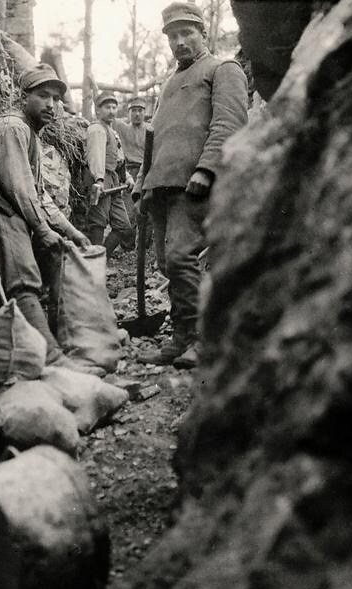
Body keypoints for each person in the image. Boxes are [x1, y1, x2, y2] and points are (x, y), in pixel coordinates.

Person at [133, 1, 248, 368]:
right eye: (173, 35)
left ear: (203, 33)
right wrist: (140, 187)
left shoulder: (222, 69)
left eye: (187, 33)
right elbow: (154, 140)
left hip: (194, 182)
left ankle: (203, 339)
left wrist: (208, 169)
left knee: (183, 258)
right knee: (169, 264)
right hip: (161, 185)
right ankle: (182, 337)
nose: (180, 41)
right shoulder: (169, 84)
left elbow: (229, 122)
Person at [0, 64, 96, 373]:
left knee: (51, 261)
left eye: (56, 99)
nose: (51, 105)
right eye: (43, 96)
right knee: (22, 282)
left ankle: (62, 345)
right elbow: (18, 188)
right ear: (23, 96)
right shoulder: (12, 127)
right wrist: (42, 229)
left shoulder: (29, 132)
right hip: (0, 212)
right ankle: (53, 360)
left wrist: (70, 231)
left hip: (15, 212)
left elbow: (39, 193)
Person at [85, 91, 135, 255]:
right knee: (98, 221)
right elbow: (96, 156)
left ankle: (102, 258)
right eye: (107, 107)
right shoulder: (97, 129)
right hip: (100, 178)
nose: (112, 111)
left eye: (114, 107)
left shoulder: (112, 132)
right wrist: (99, 180)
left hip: (113, 180)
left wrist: (126, 177)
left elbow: (119, 159)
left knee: (123, 226)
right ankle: (94, 265)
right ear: (97, 110)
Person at [113, 97, 151, 242]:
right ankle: (127, 245)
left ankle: (145, 243)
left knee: (147, 208)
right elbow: (105, 114)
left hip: (147, 171)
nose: (137, 114)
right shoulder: (123, 127)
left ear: (144, 112)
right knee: (128, 210)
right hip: (129, 172)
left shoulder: (150, 129)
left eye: (140, 110)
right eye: (133, 110)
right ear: (129, 113)